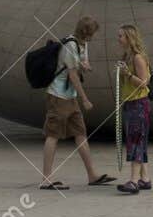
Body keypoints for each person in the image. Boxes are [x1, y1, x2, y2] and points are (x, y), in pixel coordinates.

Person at [38, 17, 113, 190]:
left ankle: (92, 175)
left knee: (80, 133)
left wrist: (85, 65)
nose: (94, 35)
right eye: (93, 32)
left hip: (69, 97)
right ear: (87, 32)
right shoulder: (71, 45)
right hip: (58, 96)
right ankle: (46, 178)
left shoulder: (83, 43)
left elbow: (82, 64)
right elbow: (72, 75)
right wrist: (85, 98)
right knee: (53, 134)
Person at [116, 24, 153, 194]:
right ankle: (145, 178)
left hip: (139, 103)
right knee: (139, 140)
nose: (119, 39)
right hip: (131, 103)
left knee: (136, 141)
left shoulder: (138, 57)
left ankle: (133, 181)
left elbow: (144, 82)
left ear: (129, 38)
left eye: (121, 36)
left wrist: (127, 74)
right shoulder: (128, 57)